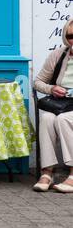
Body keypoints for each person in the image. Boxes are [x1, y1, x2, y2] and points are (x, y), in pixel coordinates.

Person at [32, 19, 73, 192]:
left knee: (62, 120)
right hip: (62, 103)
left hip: (68, 111)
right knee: (47, 118)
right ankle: (47, 171)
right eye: (71, 36)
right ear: (65, 37)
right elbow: (38, 82)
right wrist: (52, 88)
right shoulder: (58, 55)